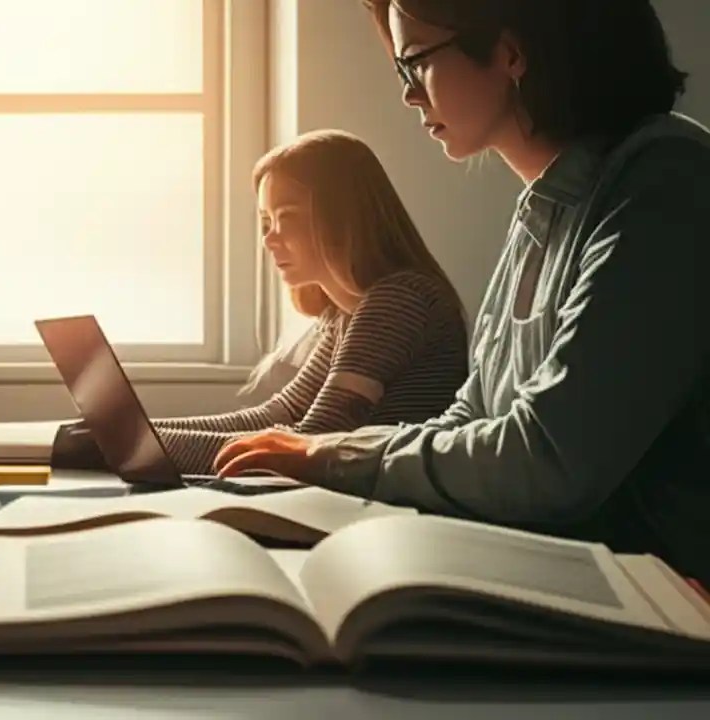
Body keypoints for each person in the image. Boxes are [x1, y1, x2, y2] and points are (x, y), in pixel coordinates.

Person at [215, 0, 710, 584]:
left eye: (415, 63)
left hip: (661, 604)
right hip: (562, 574)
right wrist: (329, 457)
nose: (409, 95)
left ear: (511, 52)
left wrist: (333, 457)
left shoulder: (664, 179)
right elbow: (472, 414)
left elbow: (549, 462)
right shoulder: (541, 211)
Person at [62, 130, 470, 476]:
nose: (269, 239)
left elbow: (307, 440)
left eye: (286, 218)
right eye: (265, 222)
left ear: (343, 217)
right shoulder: (347, 313)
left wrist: (127, 442)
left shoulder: (399, 300)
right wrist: (127, 431)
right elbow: (276, 416)